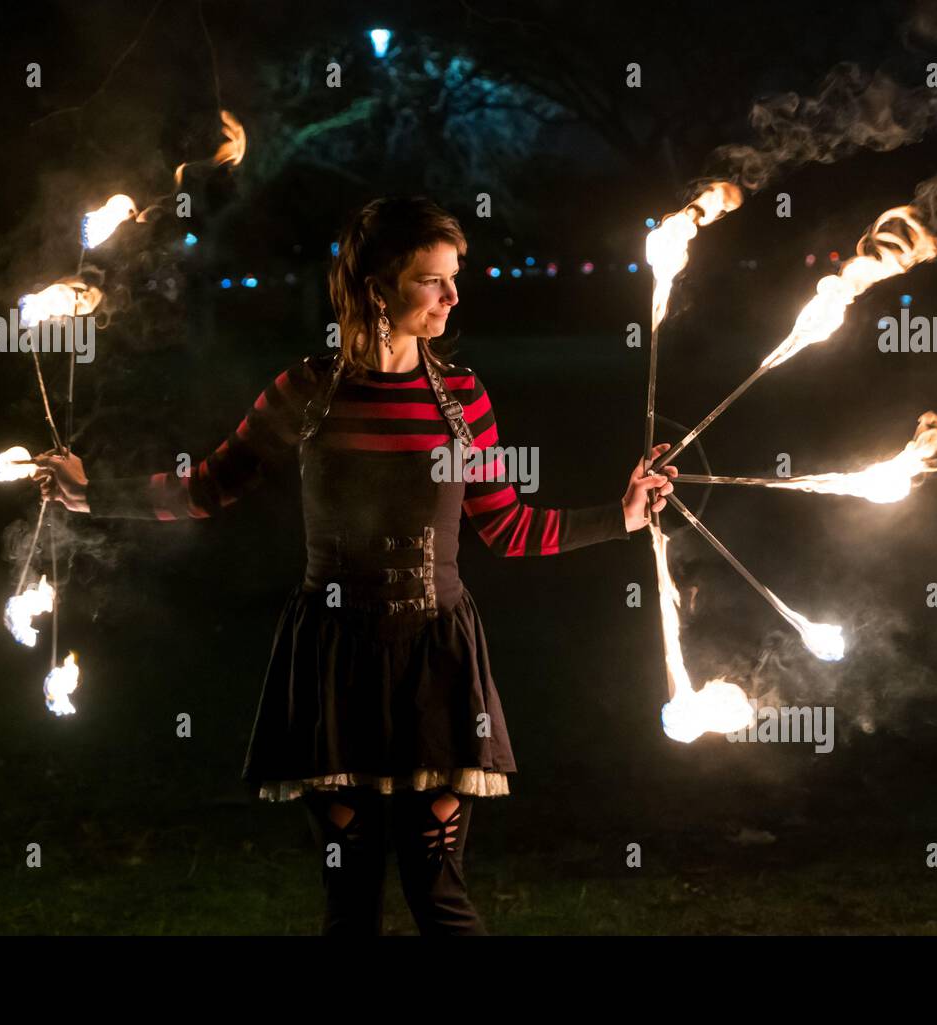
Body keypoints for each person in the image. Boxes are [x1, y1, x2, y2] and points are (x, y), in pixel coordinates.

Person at [34, 195, 678, 935]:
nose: (453, 296)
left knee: (438, 893)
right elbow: (207, 488)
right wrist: (92, 497)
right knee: (351, 902)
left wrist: (620, 516)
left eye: (454, 277)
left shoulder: (463, 399)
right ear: (378, 289)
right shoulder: (305, 393)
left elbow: (506, 526)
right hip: (332, 666)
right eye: (432, 280)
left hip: (436, 663)